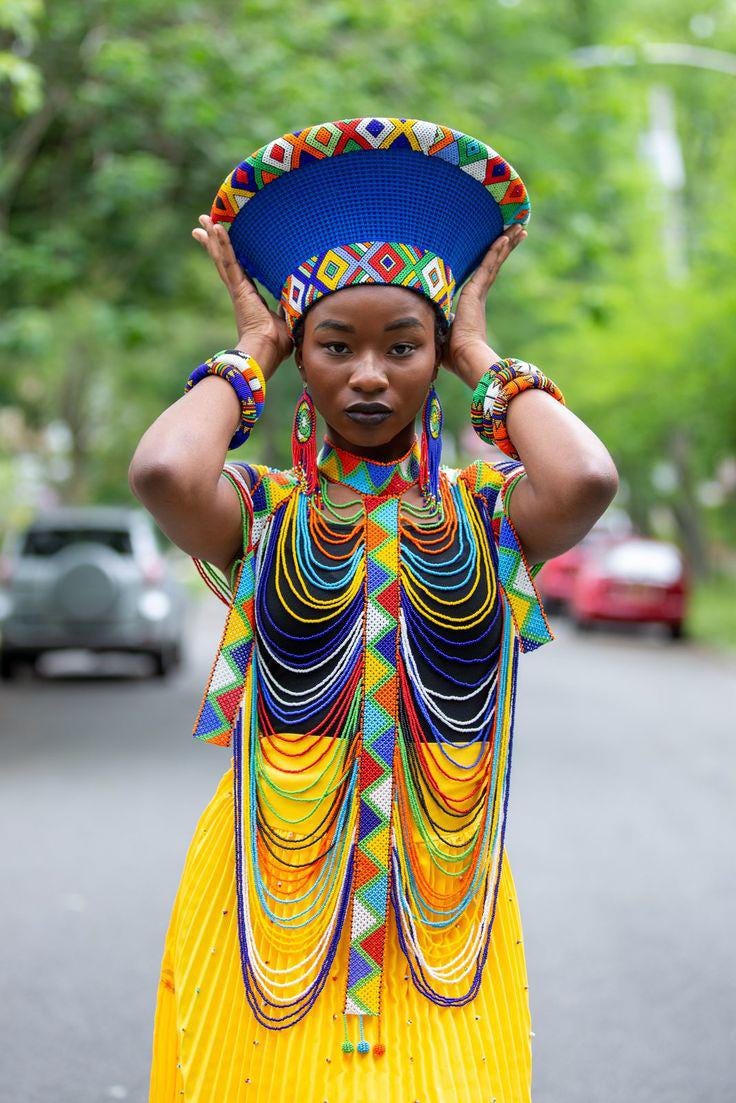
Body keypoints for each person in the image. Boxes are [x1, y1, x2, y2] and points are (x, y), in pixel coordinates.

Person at [130, 118, 618, 1103]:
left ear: (432, 360)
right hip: (269, 888)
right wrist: (251, 348)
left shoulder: (487, 514)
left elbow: (585, 479)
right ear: (301, 361)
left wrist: (477, 347)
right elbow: (166, 471)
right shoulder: (263, 514)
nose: (367, 373)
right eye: (334, 345)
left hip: (443, 897)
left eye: (402, 346)